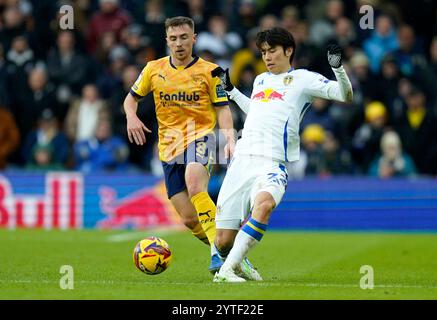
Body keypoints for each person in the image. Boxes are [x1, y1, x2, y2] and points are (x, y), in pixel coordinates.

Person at [213, 27, 353, 282]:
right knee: (222, 241)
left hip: (272, 162)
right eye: (263, 52)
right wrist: (231, 91)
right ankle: (236, 260)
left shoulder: (304, 79)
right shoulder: (260, 80)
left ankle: (226, 271)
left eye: (272, 51)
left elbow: (345, 95)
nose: (267, 57)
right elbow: (254, 110)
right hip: (242, 158)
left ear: (289, 51)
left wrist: (338, 68)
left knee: (263, 206)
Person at [123, 16, 236, 274]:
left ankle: (216, 256)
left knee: (195, 183)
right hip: (169, 147)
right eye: (173, 39)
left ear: (193, 39)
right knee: (187, 218)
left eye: (184, 37)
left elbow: (223, 109)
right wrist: (132, 116)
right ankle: (232, 253)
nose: (179, 43)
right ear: (167, 41)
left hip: (201, 137)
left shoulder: (212, 71)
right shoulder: (153, 68)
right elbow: (130, 100)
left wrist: (230, 138)